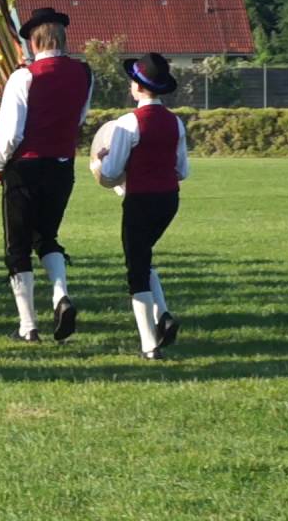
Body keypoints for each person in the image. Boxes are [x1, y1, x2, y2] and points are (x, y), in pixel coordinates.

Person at [0, 7, 93, 344]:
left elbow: (11, 132)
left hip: (25, 167)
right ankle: (60, 294)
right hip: (62, 165)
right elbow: (79, 118)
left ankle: (27, 325)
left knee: (17, 247)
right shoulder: (85, 73)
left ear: (33, 41)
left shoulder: (24, 77)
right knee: (46, 237)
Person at [93, 53, 187, 360]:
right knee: (143, 256)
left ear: (137, 86)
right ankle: (163, 316)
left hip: (140, 199)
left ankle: (149, 344)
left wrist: (101, 159)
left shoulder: (128, 122)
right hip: (169, 200)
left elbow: (110, 173)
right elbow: (181, 170)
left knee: (136, 269)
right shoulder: (175, 121)